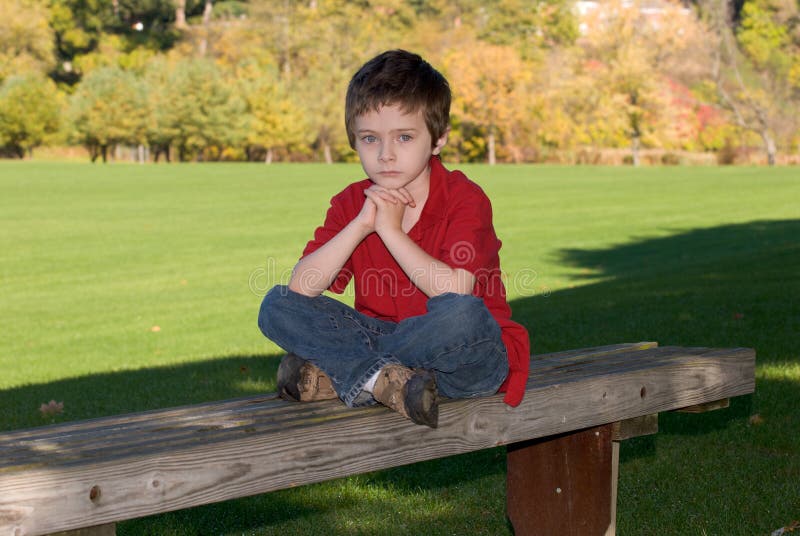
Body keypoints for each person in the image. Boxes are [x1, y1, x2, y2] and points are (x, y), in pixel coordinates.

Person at [258, 49, 530, 428]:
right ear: (354, 139)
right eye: (370, 139)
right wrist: (360, 225)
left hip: (464, 355)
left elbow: (454, 290)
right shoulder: (353, 202)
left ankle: (354, 373)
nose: (386, 155)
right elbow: (303, 287)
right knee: (276, 305)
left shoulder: (464, 198)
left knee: (463, 314)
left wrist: (391, 230)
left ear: (437, 139)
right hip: (387, 336)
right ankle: (383, 381)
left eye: (404, 137)